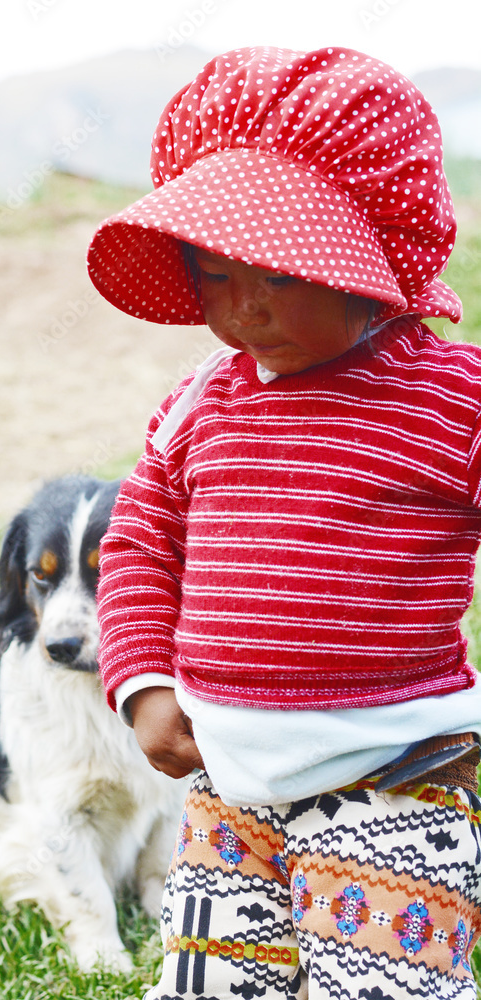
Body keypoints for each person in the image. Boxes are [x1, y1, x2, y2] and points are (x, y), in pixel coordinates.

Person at [86, 45, 481, 999]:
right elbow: (140, 539)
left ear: (368, 261)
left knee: (383, 984)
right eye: (212, 277)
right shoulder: (202, 404)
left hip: (397, 781)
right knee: (210, 987)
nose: (244, 308)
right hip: (228, 790)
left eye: (279, 277)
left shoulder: (445, 400)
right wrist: (142, 681)